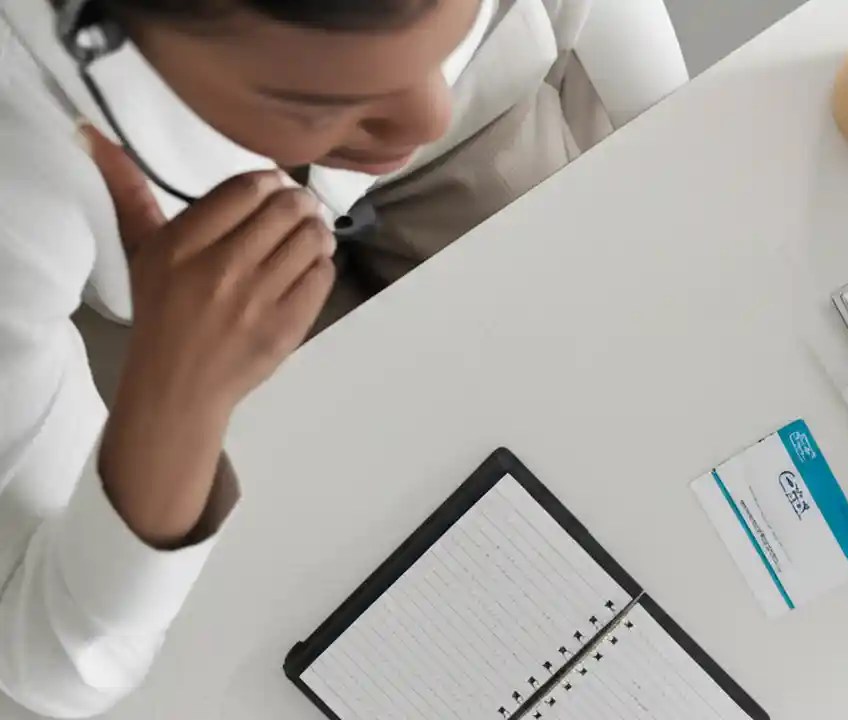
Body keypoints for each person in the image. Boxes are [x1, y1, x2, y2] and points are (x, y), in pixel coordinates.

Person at [0, 0, 687, 716]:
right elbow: (48, 665)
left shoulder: (427, 108)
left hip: (490, 112)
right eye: (311, 101)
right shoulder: (18, 177)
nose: (427, 114)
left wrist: (679, 125)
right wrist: (176, 406)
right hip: (165, 286)